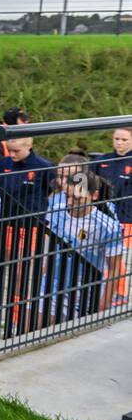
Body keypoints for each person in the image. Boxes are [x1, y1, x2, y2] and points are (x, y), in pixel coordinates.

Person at [47, 168, 125, 314]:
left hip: (85, 292)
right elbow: (50, 251)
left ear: (94, 195)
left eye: (77, 198)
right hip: (52, 287)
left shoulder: (108, 226)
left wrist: (103, 305)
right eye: (67, 196)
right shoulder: (56, 212)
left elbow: (114, 269)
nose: (70, 202)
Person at [91, 127, 132, 301]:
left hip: (127, 217)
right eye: (117, 139)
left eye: (124, 139)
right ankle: (105, 290)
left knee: (118, 256)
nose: (119, 143)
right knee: (105, 254)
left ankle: (119, 293)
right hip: (104, 216)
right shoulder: (102, 161)